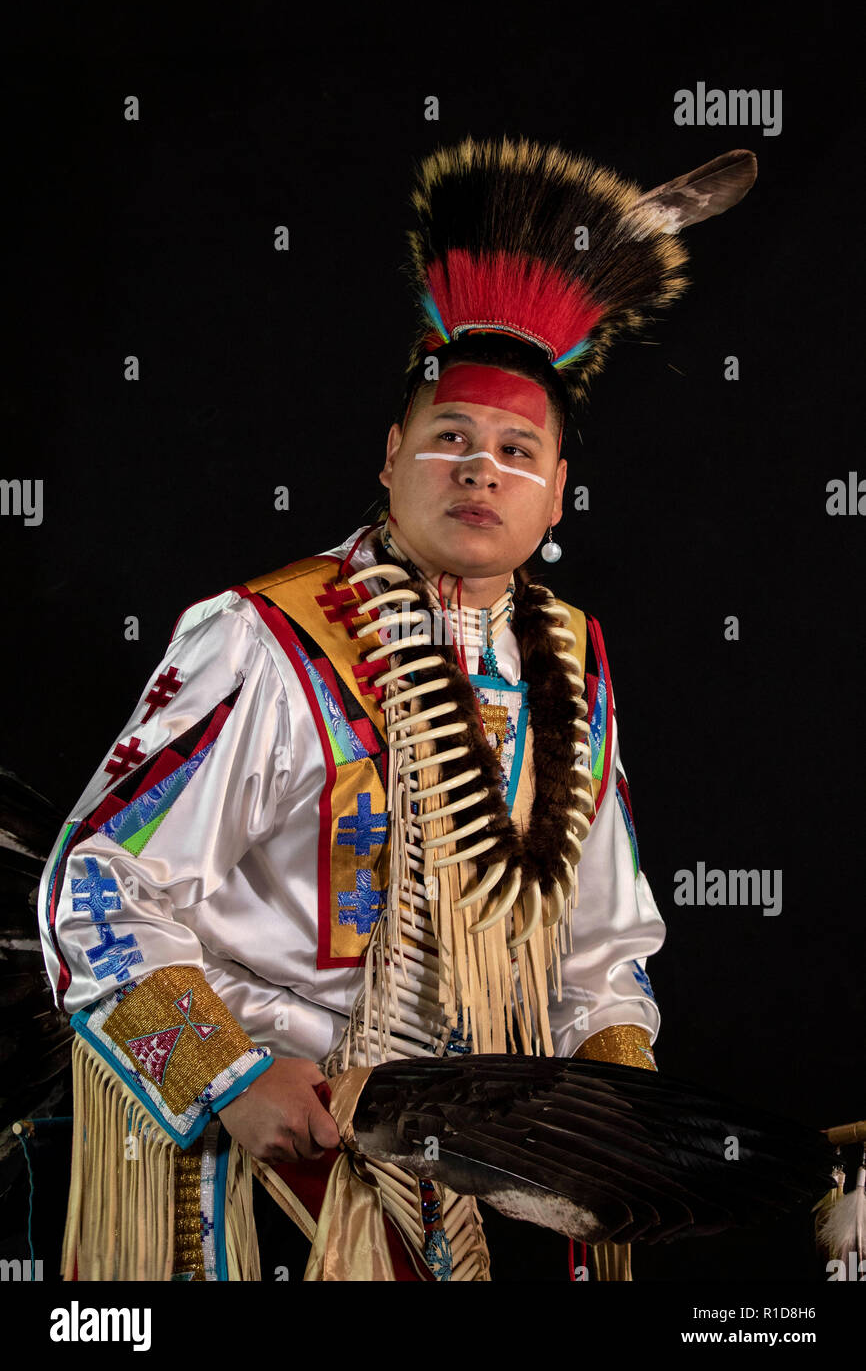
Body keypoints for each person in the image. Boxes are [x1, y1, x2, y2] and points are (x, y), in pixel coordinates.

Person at [37, 134, 756, 1281]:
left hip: (498, 1158)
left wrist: (617, 1102)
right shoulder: (266, 637)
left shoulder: (567, 658)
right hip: (289, 1145)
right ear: (391, 458)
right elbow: (95, 884)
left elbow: (598, 941)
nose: (480, 471)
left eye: (517, 450)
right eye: (450, 440)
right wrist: (227, 1074)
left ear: (558, 491)